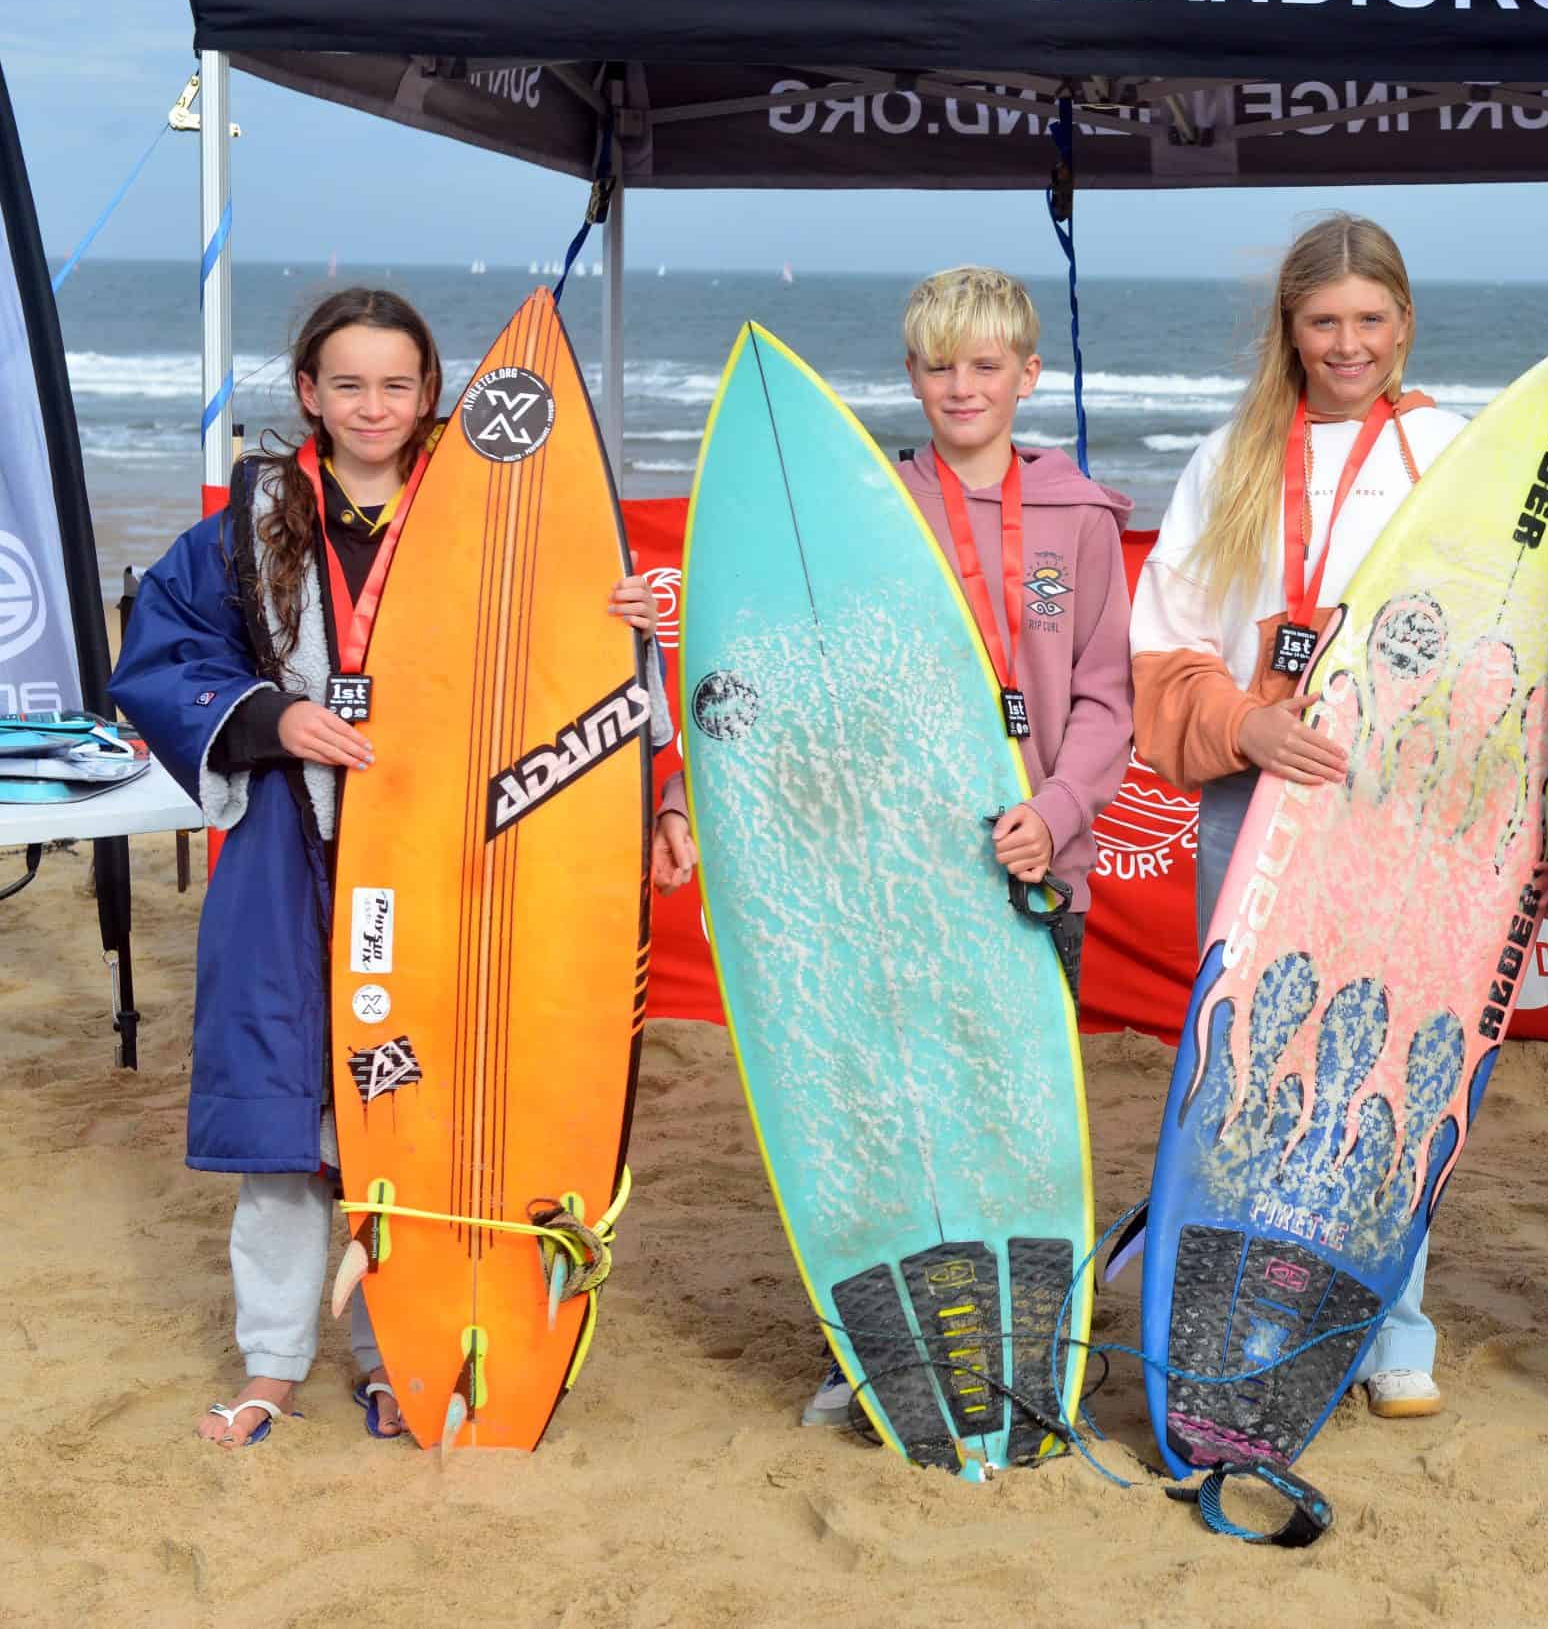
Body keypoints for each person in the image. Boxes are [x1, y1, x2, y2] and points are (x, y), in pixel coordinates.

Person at [110, 287, 689, 1449]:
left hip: (445, 868)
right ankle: (273, 1362)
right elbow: (163, 654)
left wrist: (636, 628)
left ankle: (399, 1350)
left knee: (414, 1096)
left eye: (398, 383)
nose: (373, 405)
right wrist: (269, 713)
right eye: (348, 384)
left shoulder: (494, 511)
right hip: (293, 853)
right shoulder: (250, 522)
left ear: (434, 394)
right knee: (285, 1115)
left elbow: (584, 676)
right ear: (309, 395)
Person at [1128, 212, 1469, 1421]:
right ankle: (1241, 1311)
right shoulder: (1227, 459)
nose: (1347, 343)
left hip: (1397, 810)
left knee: (1387, 1064)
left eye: (1369, 320)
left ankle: (1393, 1330)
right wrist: (1243, 723)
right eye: (1323, 322)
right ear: (1289, 329)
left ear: (1404, 323)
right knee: (1258, 1063)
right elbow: (1162, 639)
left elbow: (1502, 634)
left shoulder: (1450, 453)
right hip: (1253, 796)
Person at [800, 265, 1133, 1429]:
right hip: (896, 875)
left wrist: (1058, 812)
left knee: (1020, 1116)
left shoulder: (1081, 518)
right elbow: (824, 677)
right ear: (911, 377)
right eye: (939, 365)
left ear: (1026, 375)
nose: (961, 386)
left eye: (984, 365)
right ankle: (883, 1366)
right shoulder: (869, 509)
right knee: (896, 1111)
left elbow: (1104, 699)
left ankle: (1037, 1361)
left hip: (1037, 869)